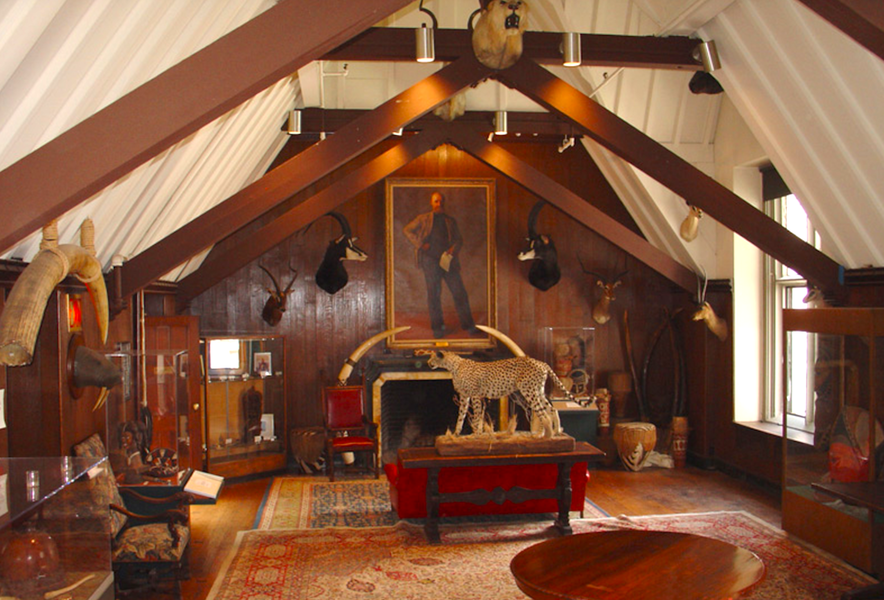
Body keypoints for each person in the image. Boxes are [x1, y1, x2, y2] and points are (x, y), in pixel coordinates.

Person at [403, 191, 478, 338]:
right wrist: (420, 244)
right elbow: (407, 230)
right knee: (434, 295)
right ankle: (437, 328)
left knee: (459, 292)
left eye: (441, 201)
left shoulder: (450, 221)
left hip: (447, 260)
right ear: (431, 203)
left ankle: (468, 325)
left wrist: (453, 249)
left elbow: (459, 240)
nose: (439, 204)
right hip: (430, 261)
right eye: (436, 201)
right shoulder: (423, 218)